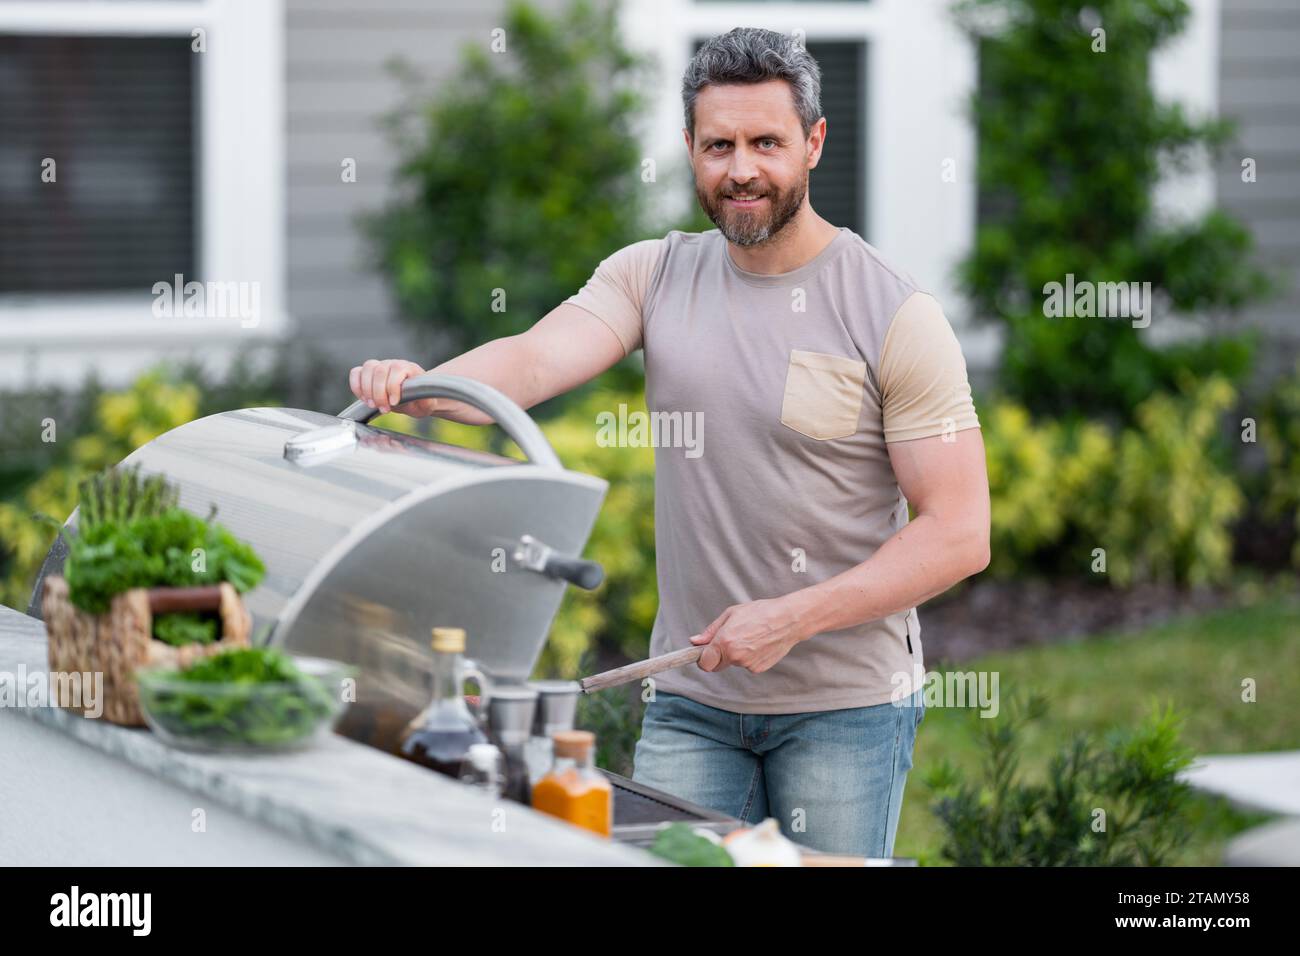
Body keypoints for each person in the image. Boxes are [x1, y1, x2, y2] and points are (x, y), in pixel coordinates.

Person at [349, 26, 990, 857]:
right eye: (718, 145)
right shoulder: (652, 275)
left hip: (847, 707)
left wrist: (790, 619)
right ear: (690, 147)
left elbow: (959, 532)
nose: (742, 169)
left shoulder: (894, 312)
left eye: (767, 142)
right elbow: (534, 359)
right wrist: (420, 386)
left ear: (814, 143)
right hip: (690, 694)